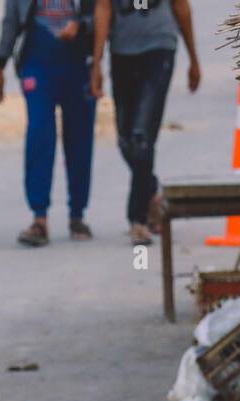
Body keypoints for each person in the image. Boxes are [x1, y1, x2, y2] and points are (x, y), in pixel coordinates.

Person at [91, 0, 199, 246]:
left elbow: (181, 6)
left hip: (159, 47)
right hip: (122, 51)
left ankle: (137, 220)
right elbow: (103, 7)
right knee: (125, 140)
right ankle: (151, 193)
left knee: (142, 137)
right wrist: (96, 63)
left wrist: (193, 58)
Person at [0, 1, 96, 246]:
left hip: (78, 63)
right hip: (37, 61)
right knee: (39, 134)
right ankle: (39, 217)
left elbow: (103, 15)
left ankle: (77, 213)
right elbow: (11, 22)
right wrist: (0, 66)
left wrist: (81, 25)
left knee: (79, 138)